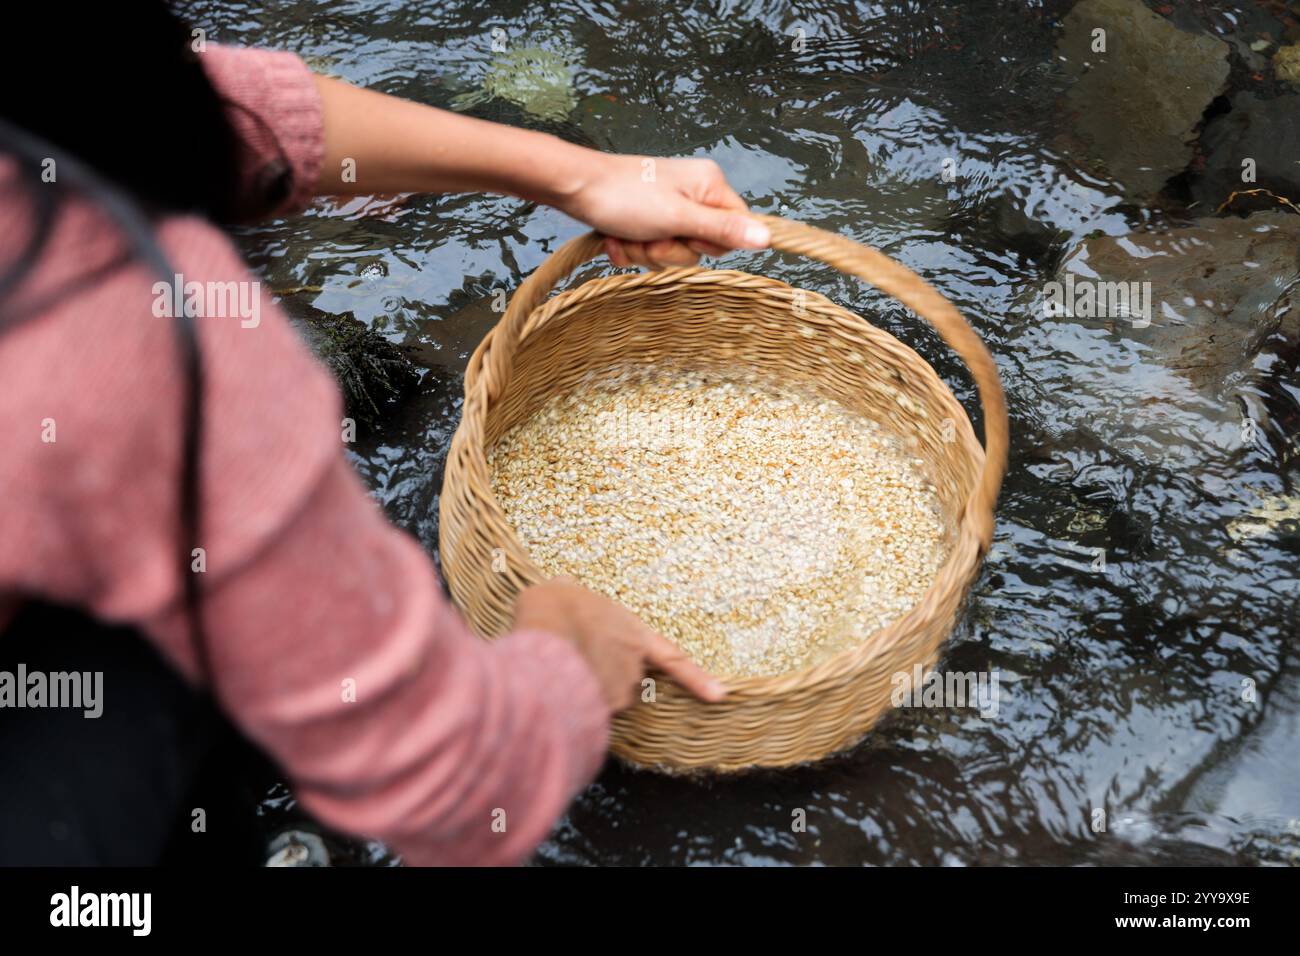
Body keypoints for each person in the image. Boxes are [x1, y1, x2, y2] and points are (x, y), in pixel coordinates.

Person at [0, 3, 771, 866]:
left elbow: (184, 107)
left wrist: (575, 174)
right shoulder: (137, 321)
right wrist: (570, 647)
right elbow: (462, 787)